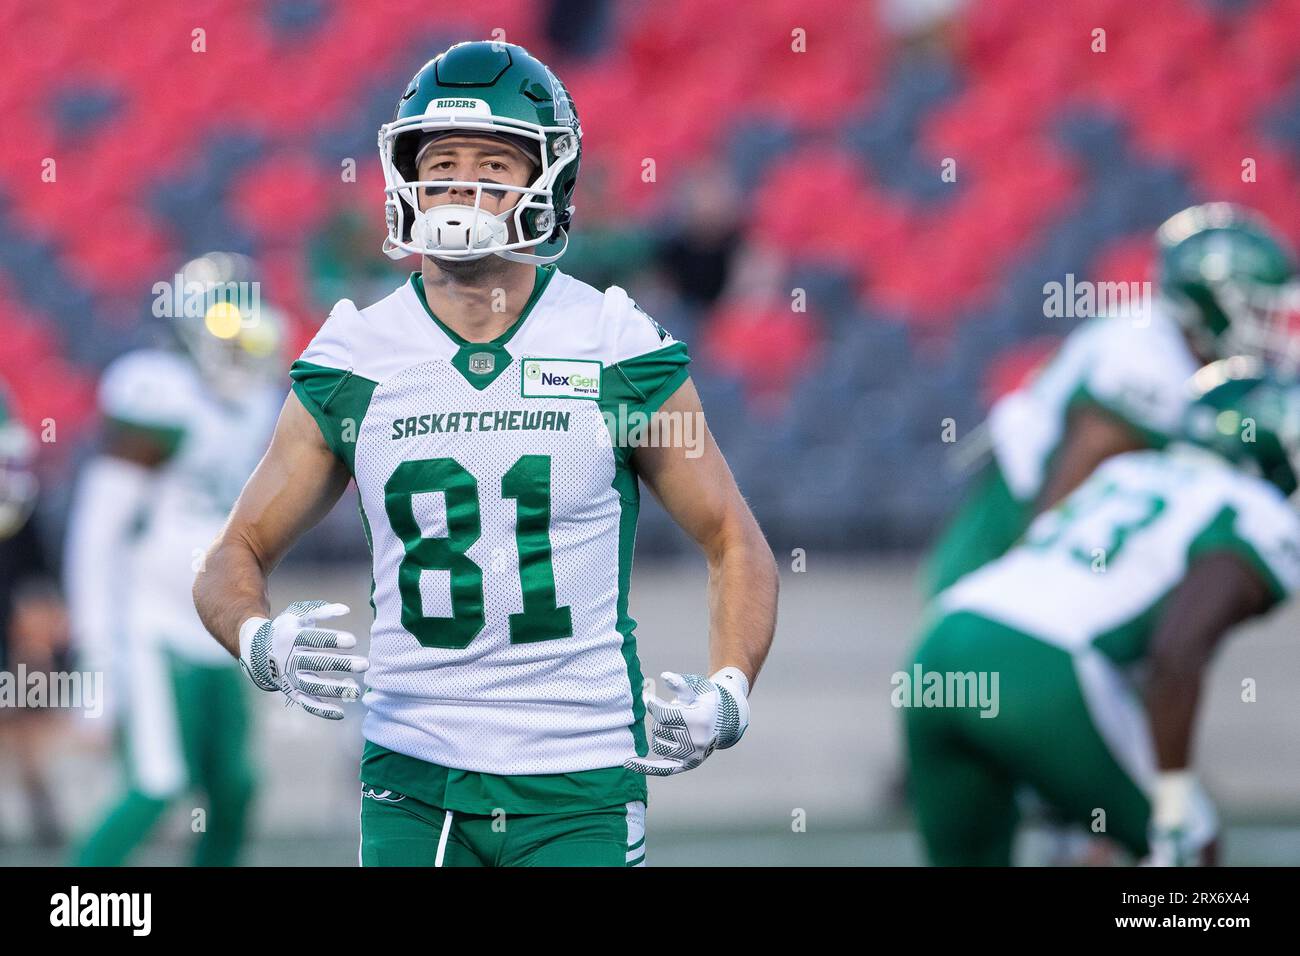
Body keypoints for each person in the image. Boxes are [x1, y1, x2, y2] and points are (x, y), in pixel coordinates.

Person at [193, 41, 778, 868]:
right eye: (442, 164)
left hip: (579, 778)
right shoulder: (355, 356)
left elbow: (733, 538)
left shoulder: (612, 343)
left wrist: (726, 693)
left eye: (493, 163)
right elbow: (231, 555)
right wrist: (260, 640)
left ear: (548, 179)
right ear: (405, 178)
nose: (461, 186)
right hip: (413, 773)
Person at [904, 356, 1300, 865]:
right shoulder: (1254, 512)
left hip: (942, 640)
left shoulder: (1132, 471)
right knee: (1191, 846)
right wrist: (1172, 804)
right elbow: (1175, 657)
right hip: (1039, 665)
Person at [923, 203, 1298, 598]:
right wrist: (1039, 598)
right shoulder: (1144, 362)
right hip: (1014, 520)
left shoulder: (1182, 349)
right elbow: (1066, 499)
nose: (1271, 332)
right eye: (1259, 313)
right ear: (1210, 304)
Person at [66, 252, 284, 865]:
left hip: (220, 623)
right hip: (151, 624)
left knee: (235, 786)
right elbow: (97, 529)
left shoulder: (261, 403)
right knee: (156, 783)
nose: (243, 345)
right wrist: (95, 650)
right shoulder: (158, 391)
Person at [0, 387, 68, 847]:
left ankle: (37, 792)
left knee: (23, 704)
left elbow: (40, 577)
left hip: (12, 612)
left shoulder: (23, 505)